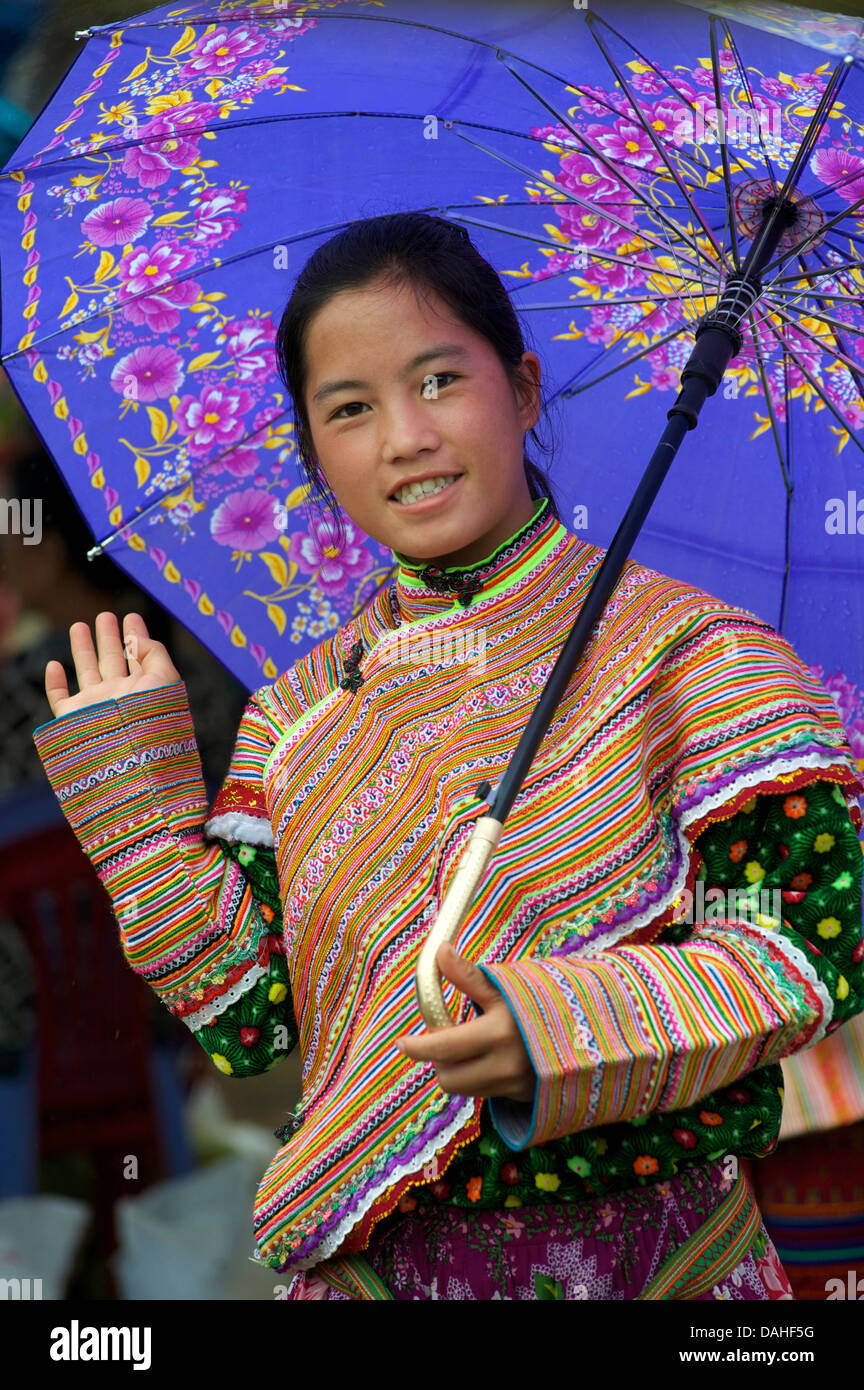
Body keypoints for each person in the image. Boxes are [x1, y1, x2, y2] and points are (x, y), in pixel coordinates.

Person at [32, 211, 864, 1301]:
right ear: (315, 451)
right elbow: (247, 1019)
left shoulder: (691, 661)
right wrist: (135, 806)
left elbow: (810, 942)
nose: (405, 438)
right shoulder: (297, 718)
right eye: (351, 409)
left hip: (666, 1270)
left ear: (520, 390)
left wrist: (559, 1024)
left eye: (438, 382)